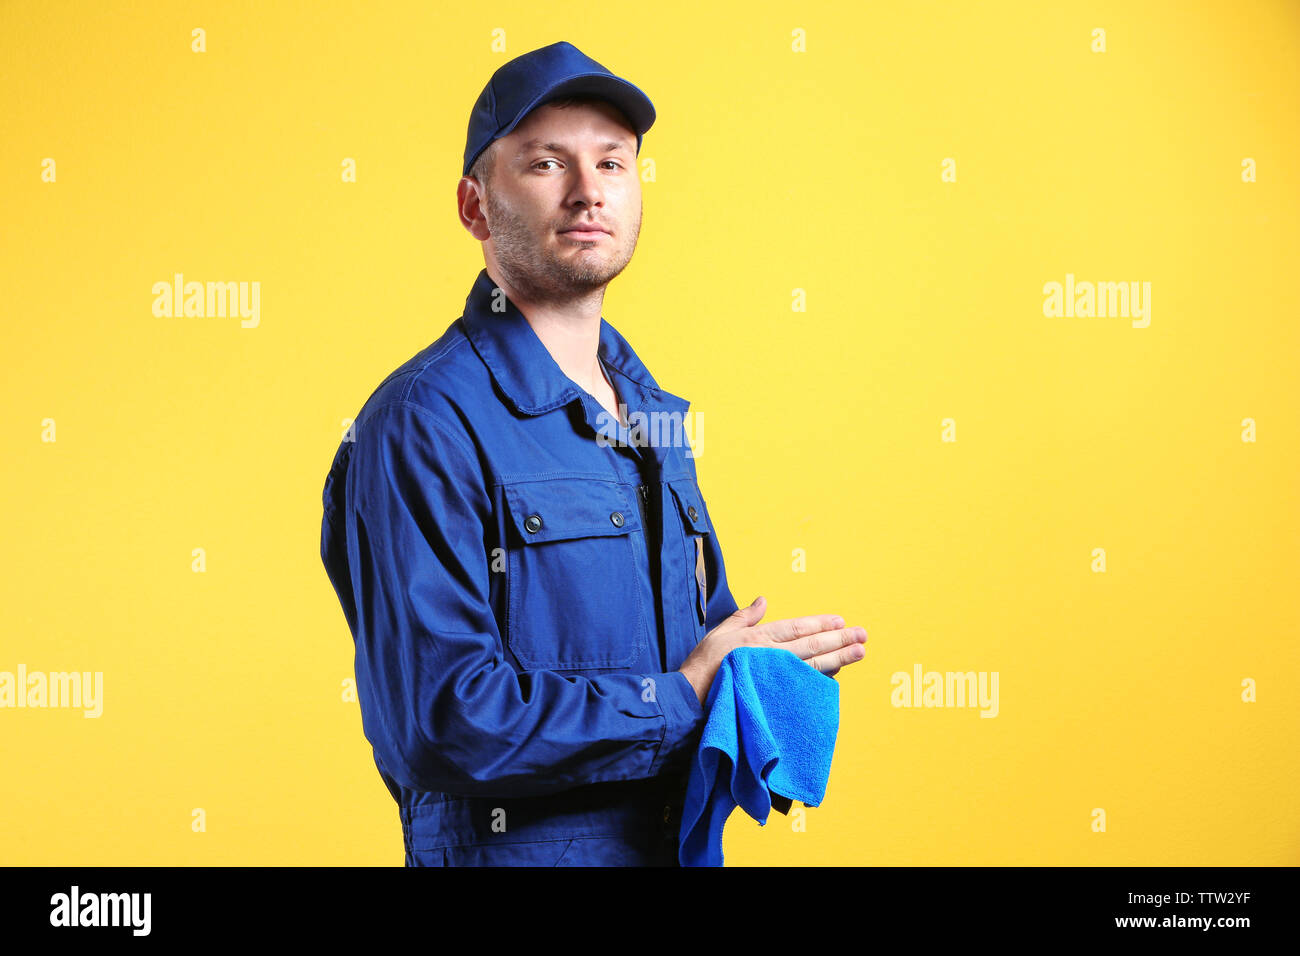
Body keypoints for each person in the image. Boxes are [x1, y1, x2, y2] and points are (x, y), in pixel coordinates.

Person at [318, 40, 868, 866]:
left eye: (612, 163)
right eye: (546, 164)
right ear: (474, 206)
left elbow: (701, 654)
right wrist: (684, 697)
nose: (587, 192)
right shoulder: (423, 422)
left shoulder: (651, 415)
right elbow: (443, 720)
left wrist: (757, 677)